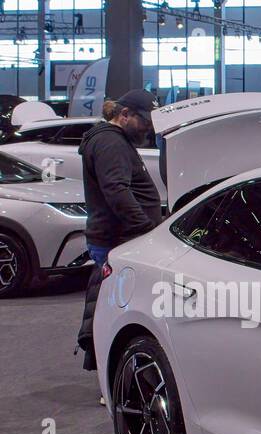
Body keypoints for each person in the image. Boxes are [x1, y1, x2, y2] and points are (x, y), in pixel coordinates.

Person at [76, 90, 163, 379]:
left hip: (119, 239)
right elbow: (117, 190)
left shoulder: (114, 140)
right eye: (144, 121)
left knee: (112, 311)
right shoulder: (110, 143)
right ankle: (115, 381)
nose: (149, 128)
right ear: (124, 114)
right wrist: (147, 229)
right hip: (119, 240)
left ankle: (114, 376)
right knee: (119, 314)